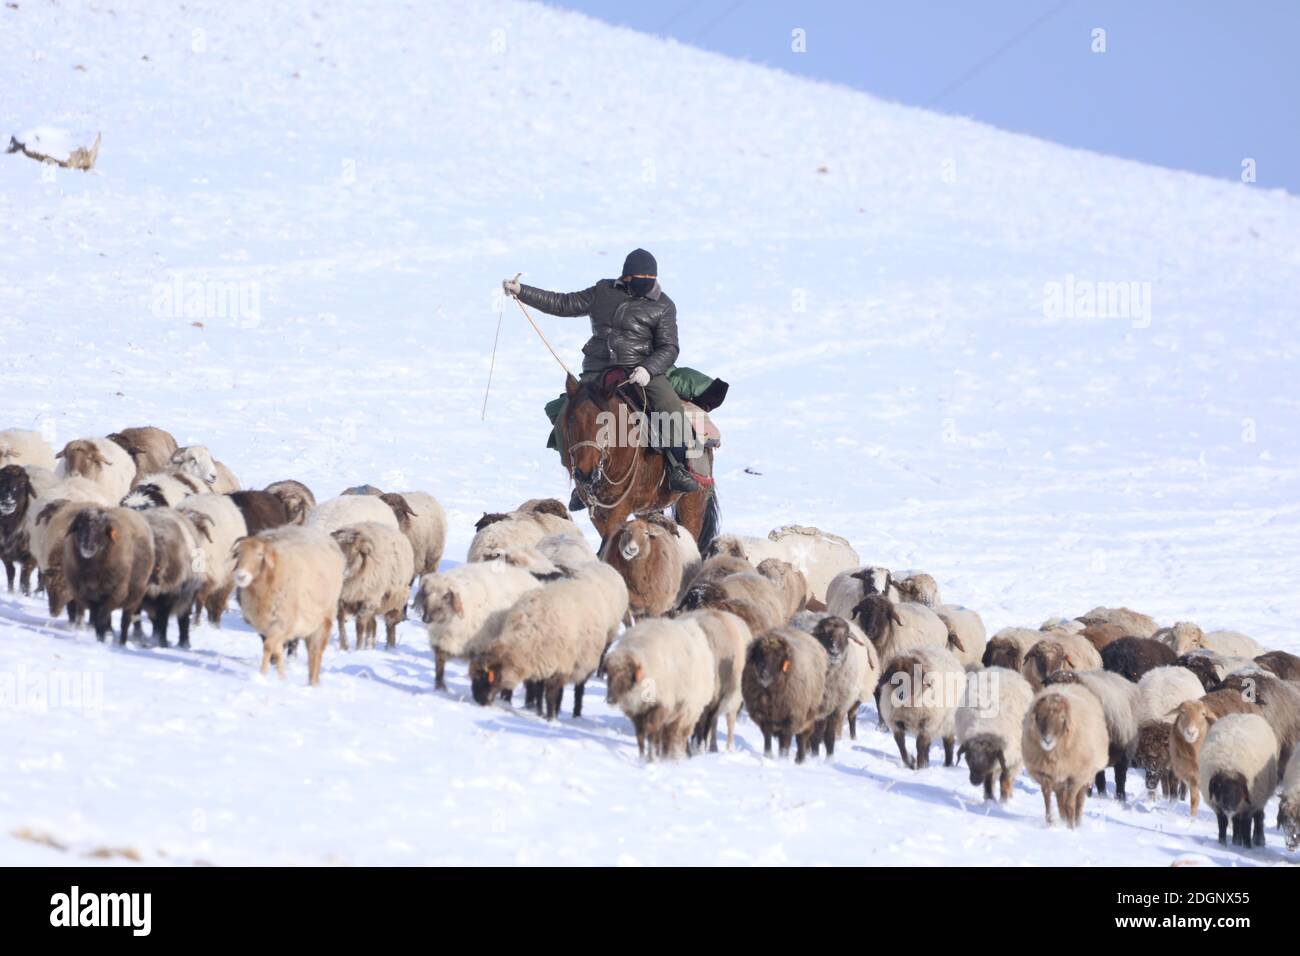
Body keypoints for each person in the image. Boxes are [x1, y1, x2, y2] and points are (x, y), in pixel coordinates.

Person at [503, 249, 710, 498]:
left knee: (670, 410)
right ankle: (579, 477)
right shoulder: (603, 291)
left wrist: (648, 368)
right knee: (566, 416)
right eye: (640, 279)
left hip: (642, 371)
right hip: (598, 373)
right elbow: (564, 303)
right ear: (627, 278)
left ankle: (678, 467)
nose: (647, 284)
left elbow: (669, 346)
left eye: (650, 280)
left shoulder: (663, 305)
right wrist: (523, 292)